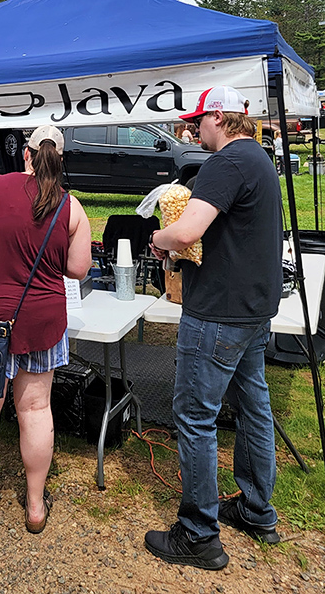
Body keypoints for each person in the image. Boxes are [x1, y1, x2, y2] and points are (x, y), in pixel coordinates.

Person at [146, 86, 282, 571]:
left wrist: (158, 237)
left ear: (219, 117)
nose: (192, 129)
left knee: (195, 417)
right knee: (254, 409)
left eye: (198, 120)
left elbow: (186, 232)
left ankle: (198, 534)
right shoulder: (259, 158)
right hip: (252, 310)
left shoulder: (225, 163)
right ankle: (256, 509)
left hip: (218, 313)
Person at [0, 125, 91, 533]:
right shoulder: (71, 206)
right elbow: (78, 268)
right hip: (42, 320)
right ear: (60, 160)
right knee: (35, 410)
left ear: (26, 154)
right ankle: (34, 507)